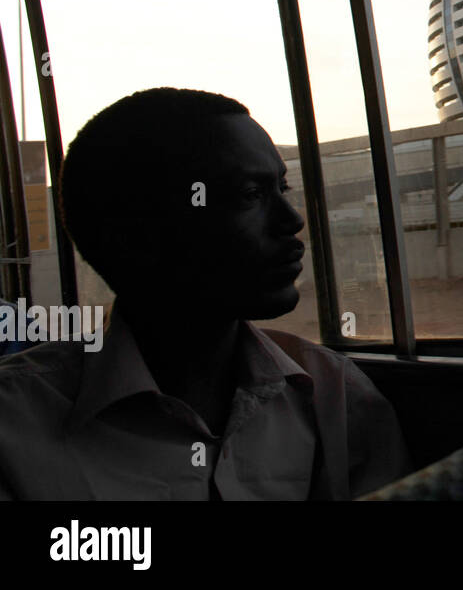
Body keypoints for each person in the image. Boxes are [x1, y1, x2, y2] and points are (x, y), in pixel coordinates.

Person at [0, 88, 411, 499]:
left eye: (281, 190)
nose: (292, 220)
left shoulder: (335, 396)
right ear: (136, 235)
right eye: (249, 195)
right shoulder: (14, 424)